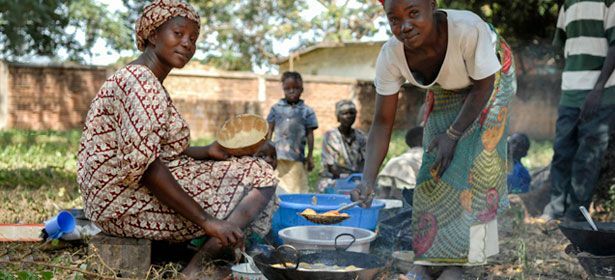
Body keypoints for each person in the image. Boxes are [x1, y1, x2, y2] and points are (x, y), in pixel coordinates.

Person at [76, 0, 277, 276]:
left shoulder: (139, 78)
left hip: (111, 197)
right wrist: (208, 221)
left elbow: (154, 151)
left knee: (247, 171)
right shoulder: (142, 84)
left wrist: (208, 151)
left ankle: (203, 255)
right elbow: (147, 167)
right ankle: (198, 268)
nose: (187, 44)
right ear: (152, 34)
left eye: (193, 38)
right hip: (122, 203)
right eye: (178, 33)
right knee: (260, 175)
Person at [351, 0, 517, 279]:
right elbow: (381, 122)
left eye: (414, 13)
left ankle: (469, 262)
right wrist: (368, 179)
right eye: (394, 19)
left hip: (491, 79)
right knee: (433, 167)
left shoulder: (467, 29)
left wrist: (453, 135)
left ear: (432, 5)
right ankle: (428, 259)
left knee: (477, 168)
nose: (404, 26)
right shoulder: (391, 55)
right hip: (448, 88)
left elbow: (484, 85)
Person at [541, 0, 615, 223]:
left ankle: (575, 214)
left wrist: (597, 88)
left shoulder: (608, 2)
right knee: (562, 151)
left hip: (600, 94)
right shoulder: (568, 6)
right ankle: (555, 208)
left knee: (587, 158)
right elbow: (562, 45)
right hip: (570, 93)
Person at [267, 71, 319, 193]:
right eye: (287, 88)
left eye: (295, 88)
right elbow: (269, 130)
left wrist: (310, 156)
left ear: (302, 89)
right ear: (283, 89)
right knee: (278, 188)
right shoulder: (276, 108)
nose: (292, 91)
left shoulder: (307, 111)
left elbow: (310, 134)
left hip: (297, 157)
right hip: (278, 156)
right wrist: (268, 152)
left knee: (297, 188)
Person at [318, 100, 367, 192]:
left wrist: (358, 178)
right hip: (334, 177)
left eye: (351, 113)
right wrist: (349, 178)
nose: (348, 116)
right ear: (338, 117)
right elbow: (331, 166)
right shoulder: (330, 136)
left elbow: (365, 162)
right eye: (344, 113)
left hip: (355, 178)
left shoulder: (361, 137)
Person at [376, 126, 423, 204]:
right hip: (406, 172)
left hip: (390, 166)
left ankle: (381, 208)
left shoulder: (408, 152)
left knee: (384, 195)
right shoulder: (425, 153)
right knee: (401, 198)